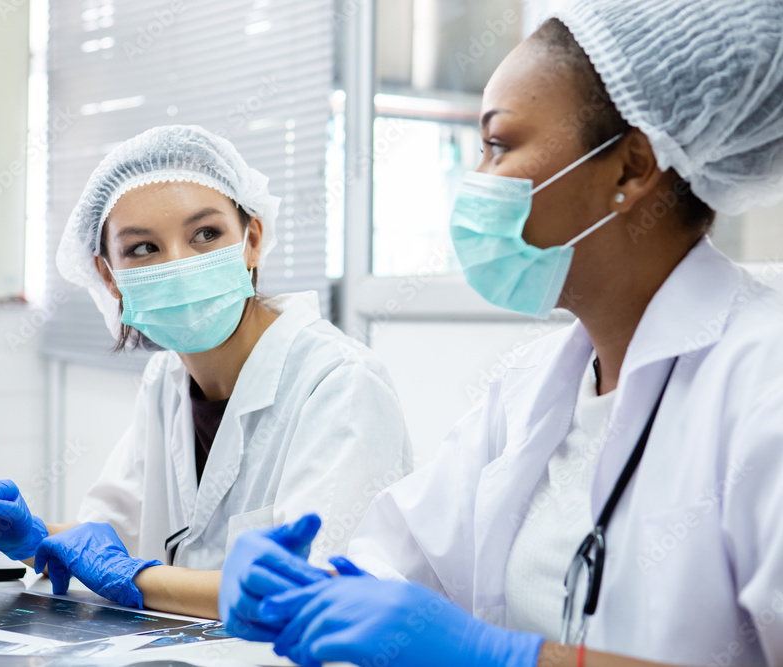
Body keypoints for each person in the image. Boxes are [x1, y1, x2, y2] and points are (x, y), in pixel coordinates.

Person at [219, 0, 783, 665]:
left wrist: (502, 655)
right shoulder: (535, 384)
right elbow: (403, 559)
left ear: (630, 168)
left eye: (498, 144)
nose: (476, 181)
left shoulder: (762, 382)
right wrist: (301, 581)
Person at [0, 125, 413, 620]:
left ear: (252, 240)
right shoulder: (166, 380)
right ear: (109, 276)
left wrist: (134, 577)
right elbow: (110, 537)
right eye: (143, 248)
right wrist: (31, 538)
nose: (179, 265)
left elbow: (313, 590)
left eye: (206, 235)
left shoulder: (340, 383)